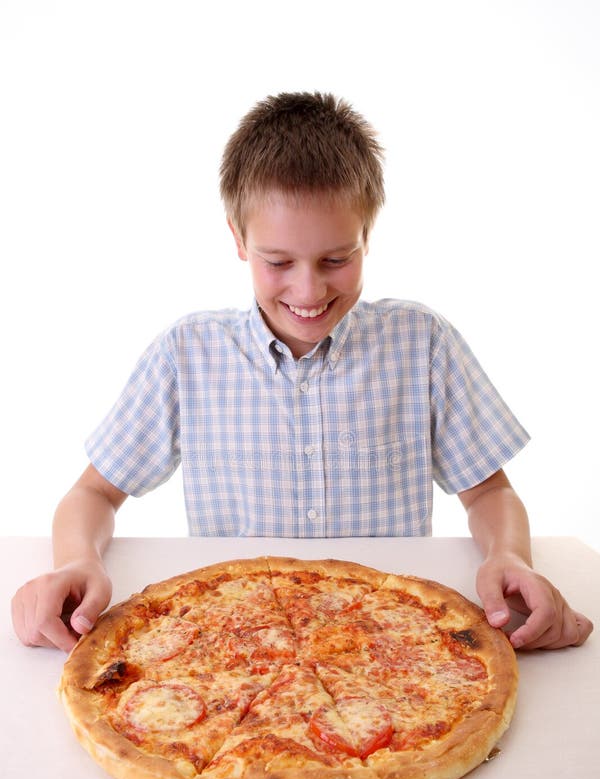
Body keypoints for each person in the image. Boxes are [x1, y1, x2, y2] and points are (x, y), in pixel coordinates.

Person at [11, 91, 592, 654]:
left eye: (337, 259)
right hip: (234, 648)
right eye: (279, 262)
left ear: (368, 237)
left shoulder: (424, 344)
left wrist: (508, 556)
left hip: (394, 641)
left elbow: (489, 491)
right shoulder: (186, 354)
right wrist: (76, 560)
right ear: (239, 240)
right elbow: (92, 492)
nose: (309, 290)